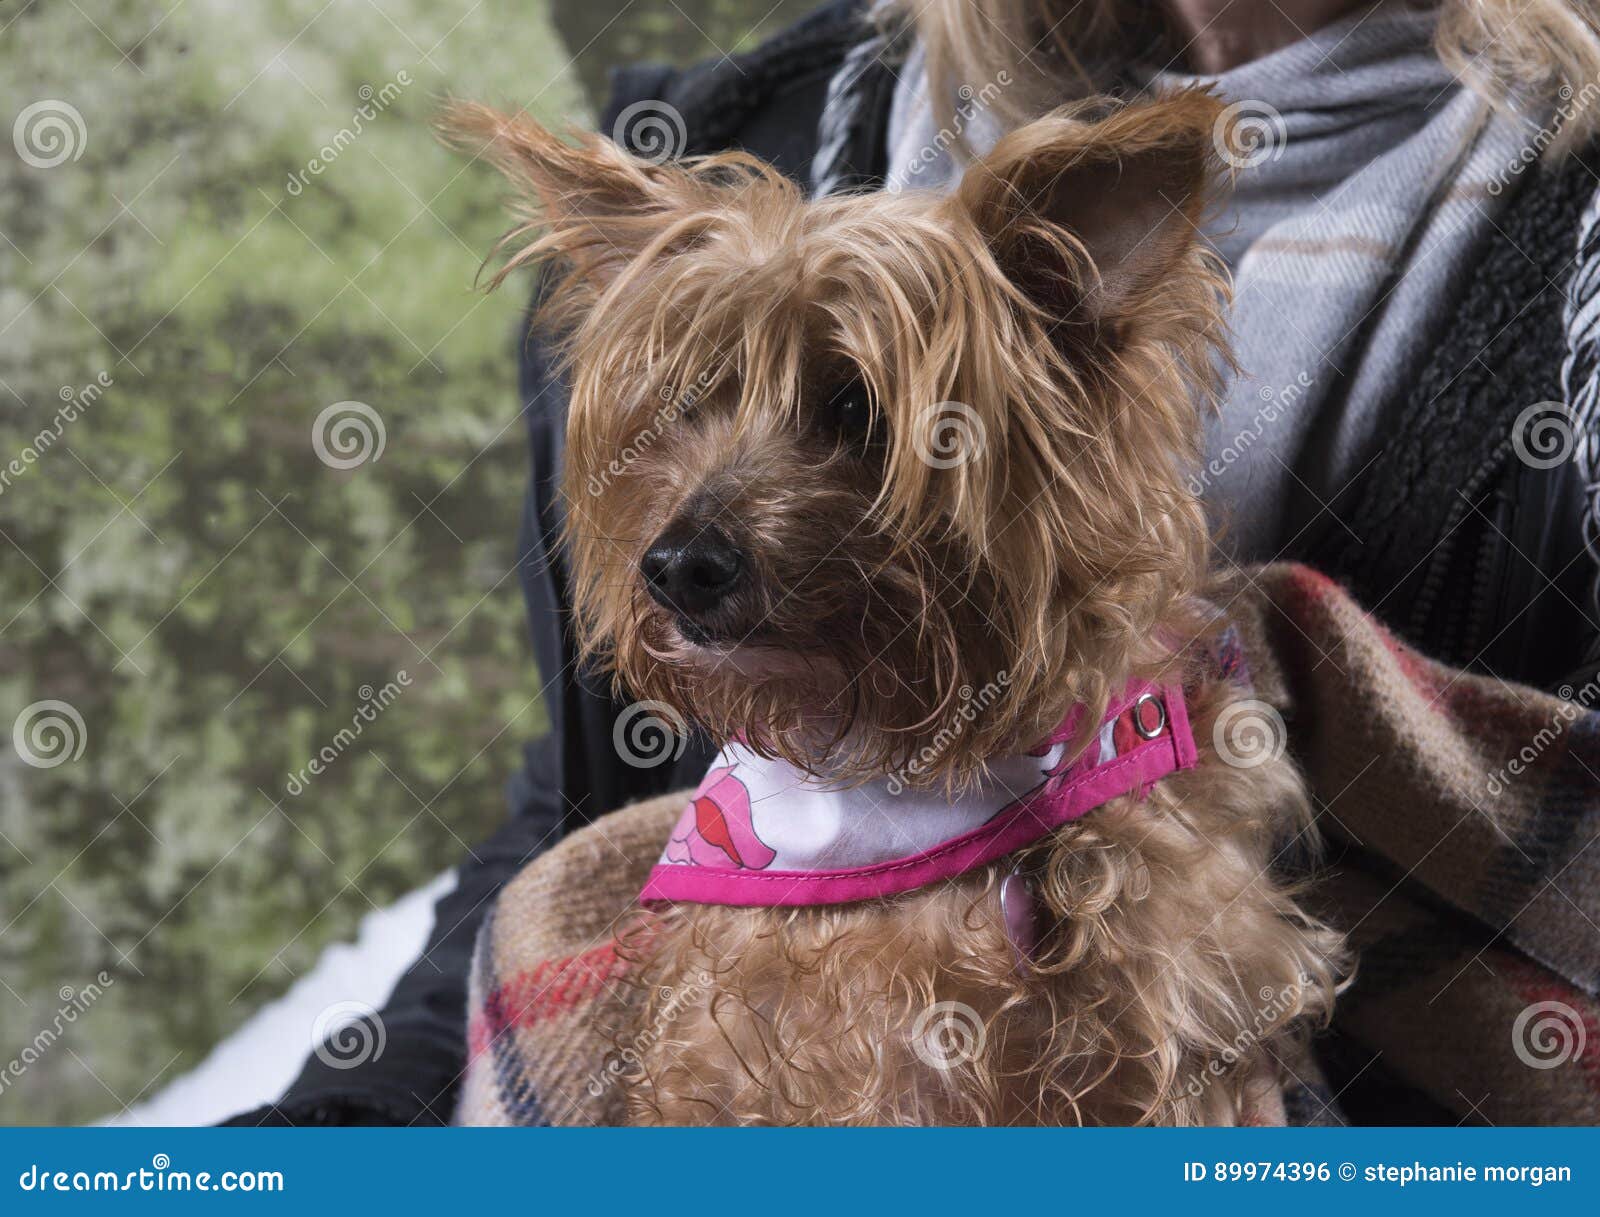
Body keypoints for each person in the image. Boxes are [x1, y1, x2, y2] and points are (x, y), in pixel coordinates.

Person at [230, 0, 1600, 1124]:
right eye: (693, 410)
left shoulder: (1559, 227)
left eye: (859, 419)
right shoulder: (742, 126)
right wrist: (335, 1130)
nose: (694, 540)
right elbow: (575, 810)